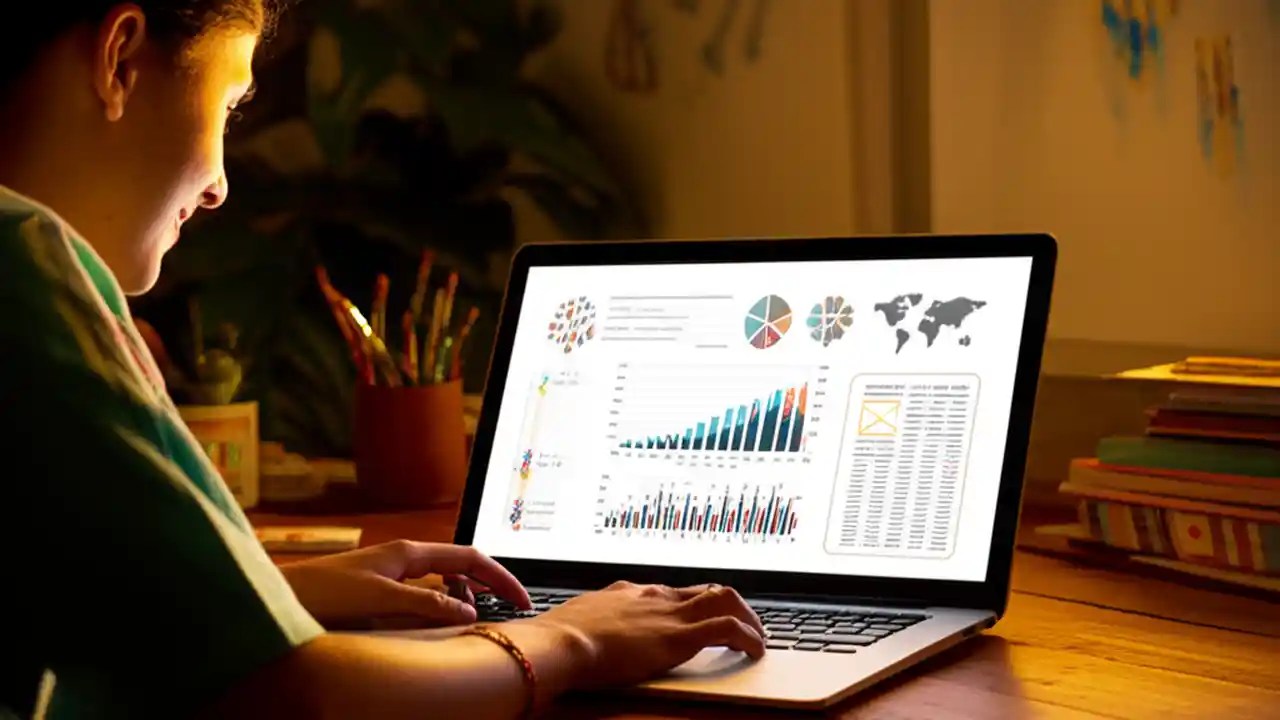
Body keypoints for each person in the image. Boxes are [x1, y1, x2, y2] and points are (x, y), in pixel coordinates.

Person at [0, 2, 765, 718]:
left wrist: (275, 593)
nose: (219, 187)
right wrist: (574, 638)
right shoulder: (23, 262)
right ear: (121, 59)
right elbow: (292, 694)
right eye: (229, 108)